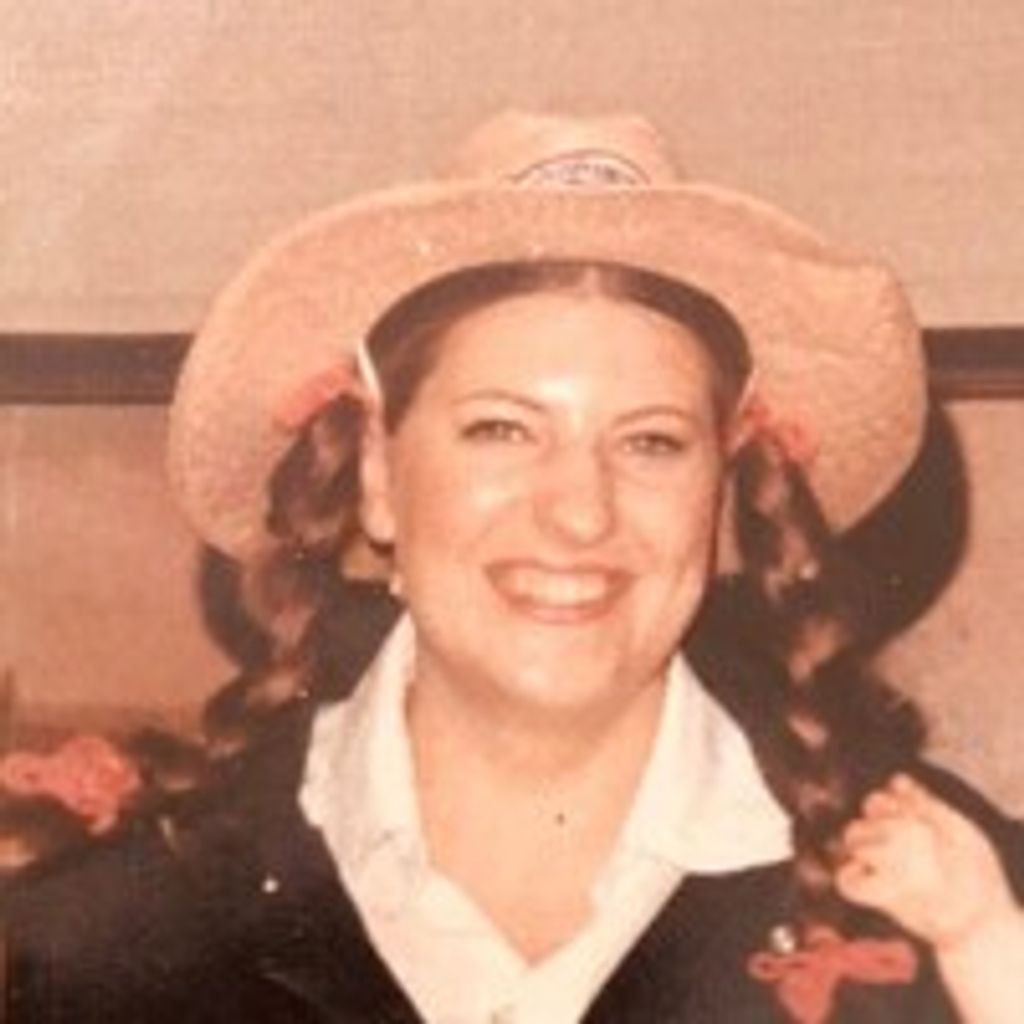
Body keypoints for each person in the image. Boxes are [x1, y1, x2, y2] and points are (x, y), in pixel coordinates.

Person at [4, 111, 1023, 1023]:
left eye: (652, 442)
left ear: (722, 498)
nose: (580, 511)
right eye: (500, 429)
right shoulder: (96, 946)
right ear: (378, 480)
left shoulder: (960, 907)